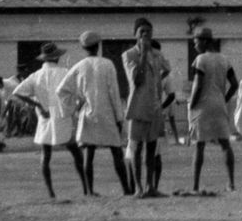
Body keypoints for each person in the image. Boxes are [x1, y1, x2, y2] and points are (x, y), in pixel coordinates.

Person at [59, 30, 133, 197]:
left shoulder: (79, 66)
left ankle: (90, 191)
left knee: (89, 152)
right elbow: (114, 92)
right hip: (107, 112)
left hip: (88, 113)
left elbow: (61, 90)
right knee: (116, 152)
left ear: (83, 48)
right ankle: (126, 189)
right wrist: (119, 117)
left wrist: (73, 108)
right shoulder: (107, 64)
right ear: (98, 46)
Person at [12, 42, 88, 200]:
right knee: (76, 153)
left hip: (45, 116)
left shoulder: (36, 75)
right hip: (62, 116)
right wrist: (75, 106)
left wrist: (37, 105)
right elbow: (80, 93)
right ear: (57, 57)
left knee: (46, 156)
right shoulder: (65, 72)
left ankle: (51, 192)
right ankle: (86, 188)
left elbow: (17, 92)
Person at [187, 26, 238, 193]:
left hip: (203, 105)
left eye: (196, 42)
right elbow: (235, 84)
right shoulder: (224, 59)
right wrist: (224, 98)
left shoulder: (200, 60)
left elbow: (198, 85)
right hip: (219, 105)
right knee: (225, 144)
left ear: (204, 41)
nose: (195, 46)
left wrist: (192, 104)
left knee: (199, 145)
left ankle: (195, 185)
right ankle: (231, 183)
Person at [122, 18, 169, 197]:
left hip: (154, 106)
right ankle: (138, 187)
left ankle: (150, 186)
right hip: (138, 107)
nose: (145, 35)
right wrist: (142, 54)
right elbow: (137, 79)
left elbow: (167, 68)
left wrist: (157, 80)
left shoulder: (156, 54)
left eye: (148, 32)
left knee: (151, 147)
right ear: (135, 34)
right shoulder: (129, 55)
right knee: (136, 147)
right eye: (141, 32)